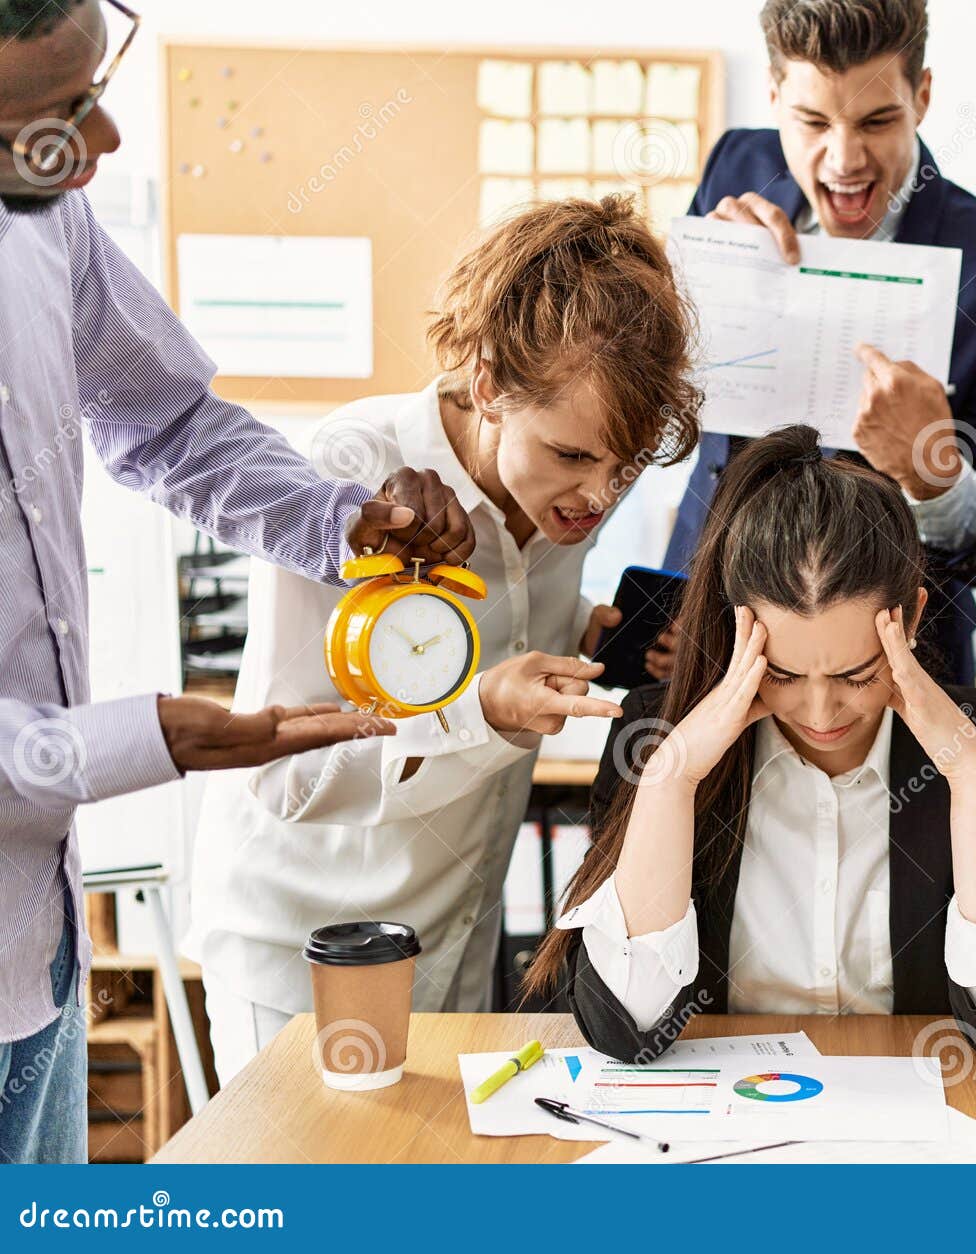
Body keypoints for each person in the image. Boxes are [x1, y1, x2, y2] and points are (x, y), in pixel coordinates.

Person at [0, 0, 474, 1164]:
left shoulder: (42, 219)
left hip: (30, 946)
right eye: (56, 113)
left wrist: (339, 519)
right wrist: (149, 740)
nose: (102, 140)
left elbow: (162, 417)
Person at [187, 195, 703, 1084]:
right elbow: (283, 773)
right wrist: (482, 711)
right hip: (307, 957)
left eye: (626, 468)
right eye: (574, 457)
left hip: (456, 949)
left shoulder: (556, 504)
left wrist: (593, 637)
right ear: (492, 381)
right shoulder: (352, 474)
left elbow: (466, 638)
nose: (596, 499)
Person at [528, 426, 976, 1063]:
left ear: (912, 619)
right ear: (740, 632)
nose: (819, 712)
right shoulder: (655, 735)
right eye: (783, 674)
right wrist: (671, 781)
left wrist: (972, 776)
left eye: (856, 674)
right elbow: (626, 1030)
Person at [653, 0, 976, 687]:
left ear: (924, 96)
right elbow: (674, 390)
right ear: (773, 95)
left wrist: (930, 472)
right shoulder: (736, 165)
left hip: (886, 683)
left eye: (878, 121)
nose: (844, 159)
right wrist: (697, 283)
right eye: (813, 122)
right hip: (704, 646)